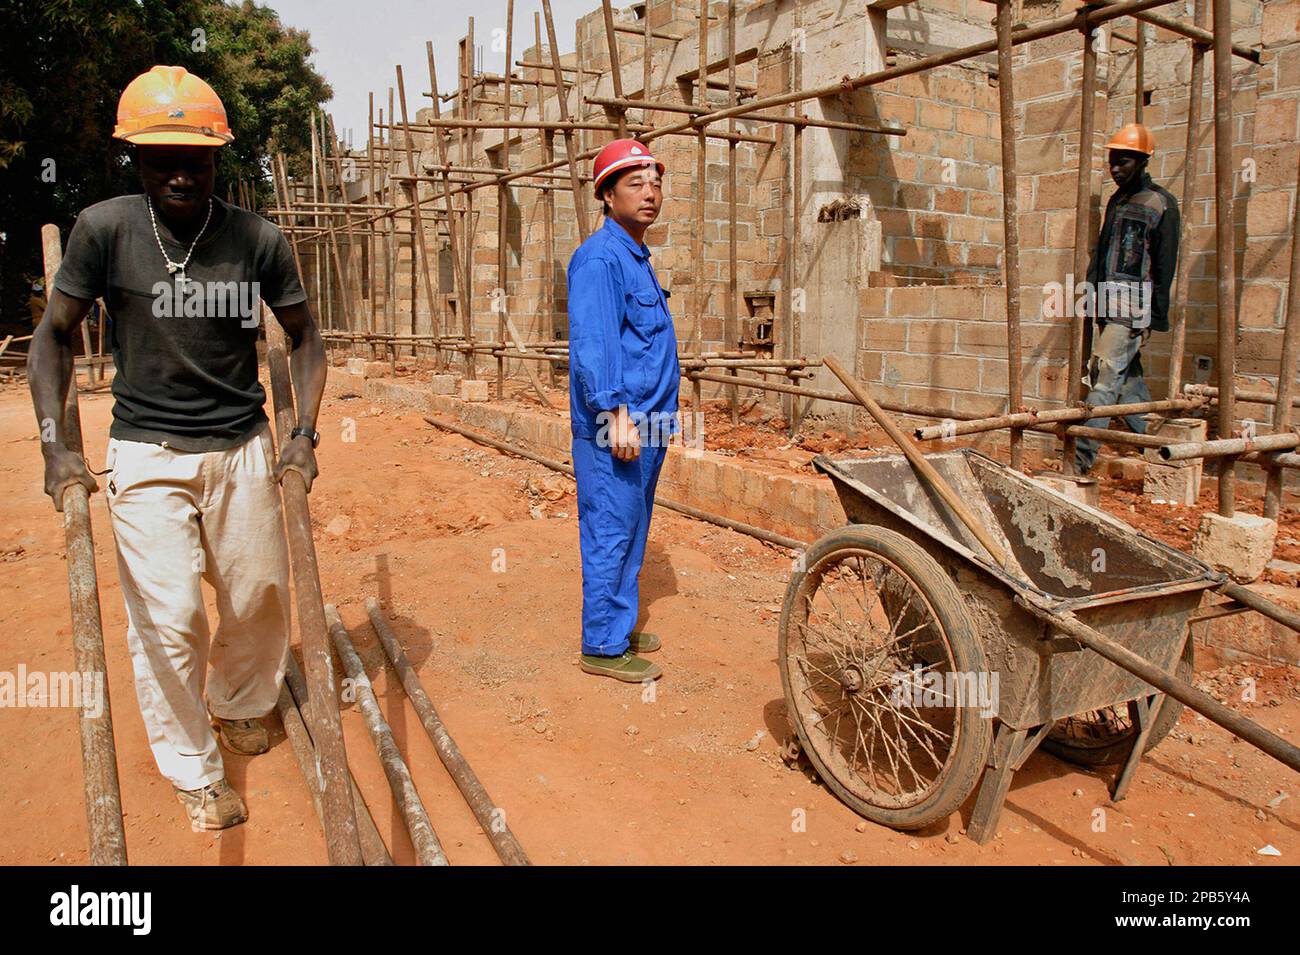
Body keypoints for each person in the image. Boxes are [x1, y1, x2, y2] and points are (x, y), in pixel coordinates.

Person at [28, 66, 325, 830]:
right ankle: (193, 766)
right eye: (162, 158)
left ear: (219, 157)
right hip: (147, 451)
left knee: (259, 598)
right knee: (169, 619)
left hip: (242, 446)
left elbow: (306, 339)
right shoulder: (105, 229)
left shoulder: (257, 239)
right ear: (136, 158)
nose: (181, 172)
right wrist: (57, 447)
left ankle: (238, 701)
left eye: (196, 157)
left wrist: (303, 438)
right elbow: (52, 338)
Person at [566, 139, 679, 683]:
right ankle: (603, 646)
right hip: (619, 424)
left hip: (650, 422)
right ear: (607, 195)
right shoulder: (600, 258)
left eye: (655, 181)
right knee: (611, 527)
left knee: (632, 526)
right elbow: (596, 344)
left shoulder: (637, 257)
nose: (649, 191)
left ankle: (621, 622)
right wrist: (615, 414)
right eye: (634, 182)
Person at [1075, 122, 1180, 475]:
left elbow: (1165, 265)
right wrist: (1090, 297)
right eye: (1112, 162)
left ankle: (1079, 462)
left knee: (1102, 375)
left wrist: (1156, 315)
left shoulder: (1161, 204)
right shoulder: (1117, 201)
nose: (1116, 169)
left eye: (1124, 162)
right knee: (1129, 383)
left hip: (1133, 307)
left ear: (1142, 161)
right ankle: (1165, 449)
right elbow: (1102, 252)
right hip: (1108, 302)